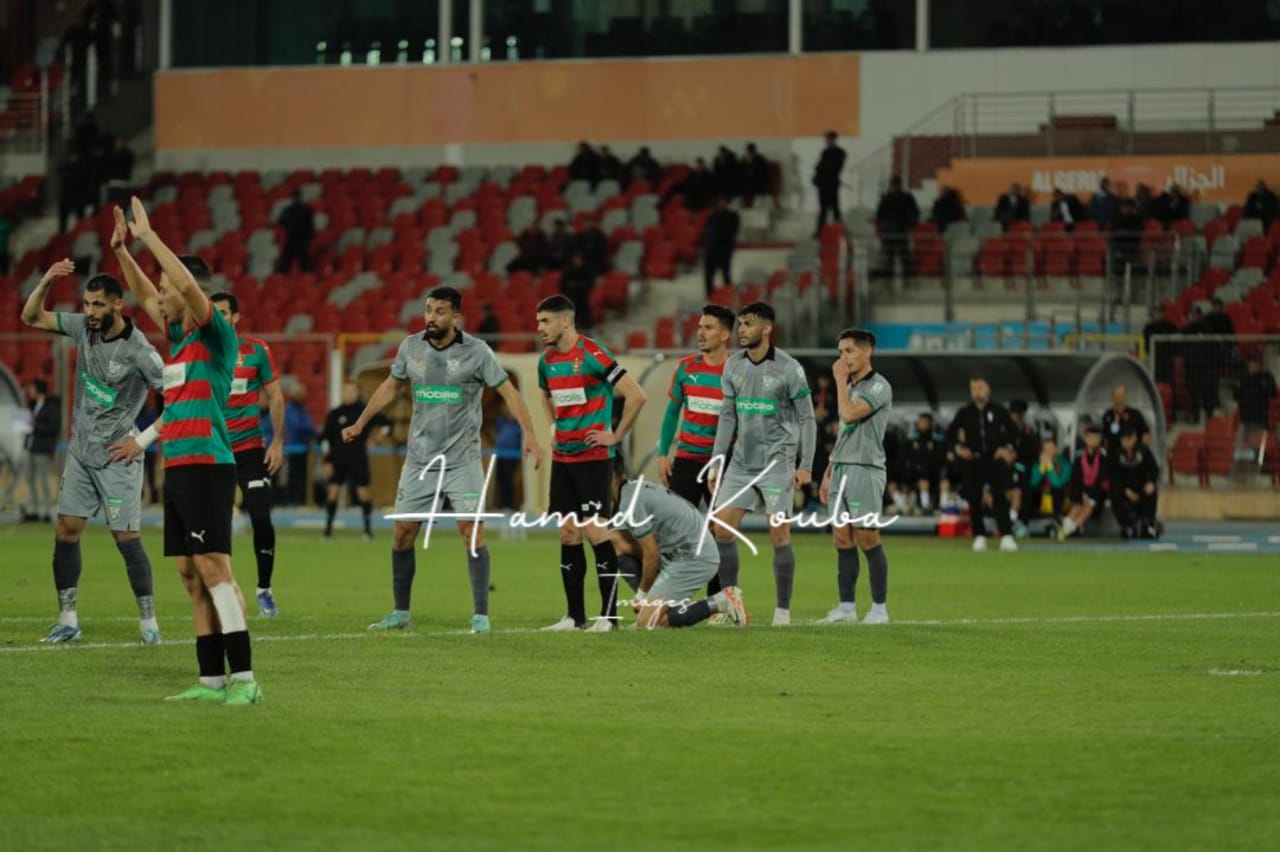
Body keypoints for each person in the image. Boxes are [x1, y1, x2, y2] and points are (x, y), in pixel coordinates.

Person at [111, 198, 261, 705]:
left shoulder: (217, 335)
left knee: (215, 568)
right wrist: (122, 252)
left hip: (208, 466)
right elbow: (143, 292)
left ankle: (245, 680)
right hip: (178, 465)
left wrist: (148, 236)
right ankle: (210, 682)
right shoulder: (175, 341)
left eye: (168, 287)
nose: (160, 296)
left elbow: (187, 288)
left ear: (186, 291)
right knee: (191, 575)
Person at [346, 287, 542, 635]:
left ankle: (481, 615)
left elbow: (508, 391)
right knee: (402, 533)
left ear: (455, 317)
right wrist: (361, 423)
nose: (431, 318)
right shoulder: (411, 347)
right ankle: (400, 613)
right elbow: (391, 387)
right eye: (428, 310)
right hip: (420, 460)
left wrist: (528, 432)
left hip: (462, 460)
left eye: (439, 312)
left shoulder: (477, 351)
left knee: (471, 531)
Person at [21, 257, 164, 645]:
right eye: (86, 304)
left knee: (125, 538)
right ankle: (68, 619)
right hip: (81, 452)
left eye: (98, 304)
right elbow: (31, 317)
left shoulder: (141, 351)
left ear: (119, 304)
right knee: (66, 530)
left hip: (119, 456)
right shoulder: (83, 329)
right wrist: (47, 278)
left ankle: (149, 624)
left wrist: (142, 439)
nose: (90, 312)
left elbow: (182, 398)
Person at [536, 294, 647, 632]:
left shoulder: (592, 353)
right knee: (568, 533)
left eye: (545, 321)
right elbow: (544, 393)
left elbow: (636, 394)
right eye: (538, 321)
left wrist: (614, 434)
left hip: (594, 459)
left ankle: (610, 617)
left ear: (565, 321)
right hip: (563, 457)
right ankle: (574, 617)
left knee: (596, 531)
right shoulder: (547, 360)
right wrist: (554, 427)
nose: (540, 328)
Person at [707, 302, 817, 627]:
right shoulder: (733, 366)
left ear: (767, 328)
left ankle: (782, 611)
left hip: (778, 464)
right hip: (741, 463)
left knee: (778, 533)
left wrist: (805, 464)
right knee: (721, 529)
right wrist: (717, 463)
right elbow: (727, 416)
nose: (741, 329)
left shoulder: (789, 368)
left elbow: (807, 418)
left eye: (748, 324)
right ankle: (731, 605)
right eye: (740, 324)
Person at [210, 292, 285, 618]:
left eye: (224, 313)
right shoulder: (200, 351)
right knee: (210, 527)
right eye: (214, 313)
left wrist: (277, 442)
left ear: (235, 317)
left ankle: (264, 590)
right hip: (214, 450)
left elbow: (276, 396)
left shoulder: (255, 351)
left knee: (261, 518)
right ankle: (218, 590)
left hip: (250, 449)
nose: (219, 318)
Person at [609, 458, 749, 630]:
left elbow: (652, 555)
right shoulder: (629, 492)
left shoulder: (630, 502)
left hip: (693, 556)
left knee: (647, 623)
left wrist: (642, 594)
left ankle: (722, 601)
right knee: (616, 542)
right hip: (680, 552)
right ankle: (657, 607)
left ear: (615, 476)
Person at [656, 304, 734, 600]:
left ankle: (718, 600)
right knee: (675, 532)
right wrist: (663, 454)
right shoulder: (687, 368)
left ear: (725, 334)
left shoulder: (736, 372)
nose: (700, 333)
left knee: (719, 532)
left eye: (708, 328)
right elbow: (671, 413)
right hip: (686, 460)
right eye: (700, 327)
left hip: (722, 464)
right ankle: (673, 596)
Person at [817, 328, 892, 626]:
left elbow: (848, 416)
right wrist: (828, 471)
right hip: (841, 469)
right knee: (841, 539)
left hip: (865, 468)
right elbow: (844, 433)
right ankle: (847, 609)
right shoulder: (848, 387)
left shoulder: (879, 387)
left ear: (867, 352)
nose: (843, 358)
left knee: (867, 538)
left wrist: (837, 381)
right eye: (840, 352)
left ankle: (879, 609)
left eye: (848, 351)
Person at [946, 374, 1020, 552]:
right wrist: (958, 449)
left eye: (980, 387)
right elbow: (950, 434)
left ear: (987, 389)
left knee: (1000, 498)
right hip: (974, 460)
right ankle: (979, 536)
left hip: (995, 459)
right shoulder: (965, 412)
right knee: (974, 498)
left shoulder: (999, 410)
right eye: (973, 388)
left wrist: (1007, 448)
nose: (976, 392)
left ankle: (1006, 535)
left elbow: (1014, 432)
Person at [322, 381, 390, 539]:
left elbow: (387, 425)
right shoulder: (335, 413)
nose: (349, 394)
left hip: (358, 459)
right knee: (333, 494)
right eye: (346, 391)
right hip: (338, 459)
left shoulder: (364, 412)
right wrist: (327, 460)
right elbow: (326, 438)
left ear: (357, 393)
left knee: (363, 494)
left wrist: (377, 438)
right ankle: (328, 530)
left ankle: (367, 530)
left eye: (352, 391)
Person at [1109, 426, 1160, 539]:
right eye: (1124, 440)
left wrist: (1150, 482)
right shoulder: (1115, 454)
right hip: (1124, 489)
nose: (1126, 442)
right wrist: (1126, 490)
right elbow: (1114, 475)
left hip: (1141, 487)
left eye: (1129, 439)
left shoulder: (1144, 451)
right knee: (1114, 493)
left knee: (1151, 491)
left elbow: (1154, 469)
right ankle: (1127, 525)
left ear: (1134, 438)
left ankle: (1148, 524)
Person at [19, 379, 60, 521]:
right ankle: (34, 510)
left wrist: (34, 424)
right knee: (30, 480)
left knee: (43, 480)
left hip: (43, 449)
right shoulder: (32, 406)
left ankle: (47, 512)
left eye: (32, 389)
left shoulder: (51, 407)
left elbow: (53, 427)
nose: (30, 392)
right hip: (31, 447)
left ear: (39, 390)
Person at [1060, 424, 1106, 540]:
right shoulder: (1079, 456)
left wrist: (1090, 495)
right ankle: (1067, 526)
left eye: (1095, 437)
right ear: (1085, 439)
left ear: (1100, 439)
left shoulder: (1104, 456)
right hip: (1081, 491)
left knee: (1088, 507)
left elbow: (1102, 479)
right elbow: (1076, 478)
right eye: (1090, 437)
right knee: (1076, 506)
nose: (1092, 440)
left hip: (1097, 493)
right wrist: (1082, 494)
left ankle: (1069, 528)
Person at [875, 175, 919, 280]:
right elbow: (914, 213)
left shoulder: (886, 198)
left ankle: (889, 277)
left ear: (892, 185)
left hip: (889, 232)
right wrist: (911, 224)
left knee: (889, 257)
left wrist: (882, 226)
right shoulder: (907, 197)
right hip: (902, 230)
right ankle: (905, 277)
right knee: (904, 256)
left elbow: (880, 215)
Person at [904, 411, 947, 514]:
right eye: (920, 422)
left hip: (935, 473)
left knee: (944, 481)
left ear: (931, 424)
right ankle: (925, 507)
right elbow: (908, 460)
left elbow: (941, 460)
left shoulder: (938, 440)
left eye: (925, 422)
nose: (922, 424)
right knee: (923, 480)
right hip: (917, 474)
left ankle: (944, 509)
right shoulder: (912, 440)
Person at [1027, 438, 1071, 531]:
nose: (1048, 452)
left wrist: (1050, 466)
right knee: (1028, 490)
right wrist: (1042, 467)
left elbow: (1057, 483)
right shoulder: (1037, 464)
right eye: (1046, 450)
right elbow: (1033, 483)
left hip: (1061, 499)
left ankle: (1057, 521)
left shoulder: (1065, 464)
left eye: (1051, 449)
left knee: (1056, 490)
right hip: (1041, 498)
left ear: (1056, 449)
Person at [283, 386, 316, 505]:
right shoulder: (290, 410)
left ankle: (300, 500)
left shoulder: (301, 410)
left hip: (303, 448)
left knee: (301, 476)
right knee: (294, 476)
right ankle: (293, 501)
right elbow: (299, 427)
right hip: (294, 448)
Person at [702, 196, 740, 296]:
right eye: (720, 201)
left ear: (727, 203)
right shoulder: (713, 216)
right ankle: (710, 294)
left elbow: (734, 232)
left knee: (726, 273)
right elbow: (708, 231)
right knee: (709, 274)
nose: (721, 203)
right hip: (713, 249)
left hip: (725, 249)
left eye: (723, 201)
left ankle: (728, 294)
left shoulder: (733, 216)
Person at [812, 130, 847, 236]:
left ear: (833, 139)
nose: (826, 141)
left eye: (827, 138)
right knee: (823, 208)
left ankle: (839, 231)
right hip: (823, 184)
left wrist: (824, 168)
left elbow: (835, 168)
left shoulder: (840, 152)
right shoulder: (825, 152)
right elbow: (819, 167)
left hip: (831, 183)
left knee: (834, 208)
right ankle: (820, 231)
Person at [1100, 384, 1150, 454]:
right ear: (1112, 397)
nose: (1119, 398)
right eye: (1116, 396)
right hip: (1113, 455)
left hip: (1132, 454)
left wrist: (1140, 451)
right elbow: (1103, 438)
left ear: (1125, 396)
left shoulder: (1135, 414)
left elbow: (1146, 436)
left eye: (1121, 395)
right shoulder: (1107, 415)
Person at [276, 190, 315, 274]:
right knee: (287, 261)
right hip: (295, 239)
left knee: (300, 262)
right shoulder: (294, 210)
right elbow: (281, 221)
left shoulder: (294, 210)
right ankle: (281, 278)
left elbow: (281, 221)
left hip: (298, 239)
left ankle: (307, 279)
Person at [493, 402, 523, 511]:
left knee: (508, 480)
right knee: (500, 480)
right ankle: (501, 504)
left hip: (512, 456)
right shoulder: (501, 421)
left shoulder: (518, 424)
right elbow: (497, 434)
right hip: (501, 455)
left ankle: (508, 505)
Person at [1236, 354, 1277, 430]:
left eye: (1256, 362)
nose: (1254, 365)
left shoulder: (1267, 376)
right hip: (1246, 417)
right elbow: (1237, 396)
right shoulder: (1243, 377)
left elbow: (1273, 393)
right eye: (1251, 362)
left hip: (1260, 416)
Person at [559, 252, 597, 331]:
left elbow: (590, 284)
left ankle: (585, 325)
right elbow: (563, 284)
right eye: (575, 259)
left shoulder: (587, 270)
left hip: (583, 294)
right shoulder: (569, 270)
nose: (577, 261)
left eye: (578, 259)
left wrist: (577, 286)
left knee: (579, 303)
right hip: (570, 294)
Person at [1142, 307, 1178, 386]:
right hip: (1153, 358)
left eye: (1157, 313)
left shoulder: (1170, 327)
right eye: (1154, 314)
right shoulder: (1148, 328)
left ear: (1162, 314)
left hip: (1167, 358)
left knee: (1168, 380)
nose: (1155, 316)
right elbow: (1145, 344)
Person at [740, 143, 772, 207]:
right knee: (744, 187)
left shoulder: (760, 159)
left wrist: (751, 164)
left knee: (751, 189)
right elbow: (741, 171)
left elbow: (763, 172)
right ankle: (746, 205)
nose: (748, 153)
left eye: (749, 152)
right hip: (747, 182)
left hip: (758, 182)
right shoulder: (744, 159)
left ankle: (749, 205)